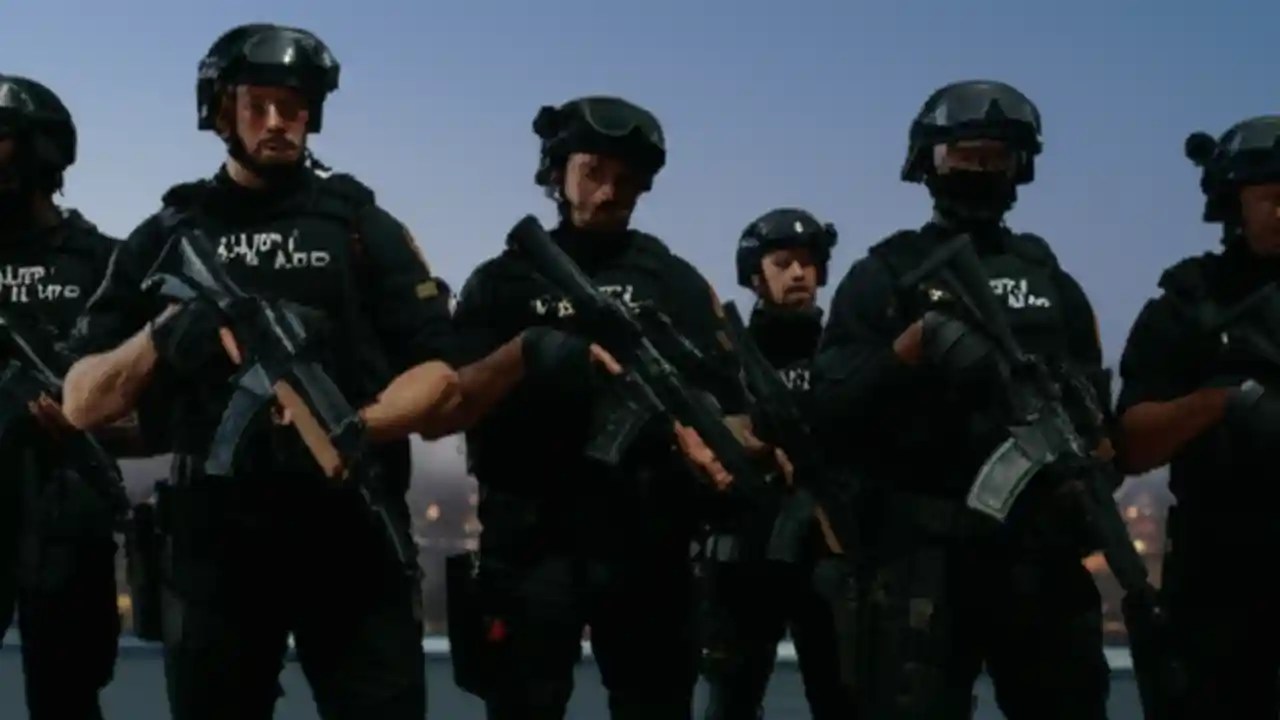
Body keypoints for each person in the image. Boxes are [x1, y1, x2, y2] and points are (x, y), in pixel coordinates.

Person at [58, 23, 539, 720]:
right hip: (215, 547)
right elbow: (80, 400)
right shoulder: (169, 232)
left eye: (295, 106)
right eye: (258, 104)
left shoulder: (358, 225)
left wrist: (357, 426)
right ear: (222, 111)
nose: (279, 121)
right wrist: (163, 335)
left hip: (350, 539)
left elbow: (441, 374)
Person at [450, 95, 767, 720]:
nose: (608, 190)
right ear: (558, 172)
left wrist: (719, 445)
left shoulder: (672, 281)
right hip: (532, 536)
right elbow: (458, 395)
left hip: (645, 543)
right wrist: (537, 354)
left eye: (626, 179)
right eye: (593, 170)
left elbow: (727, 398)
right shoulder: (504, 281)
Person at [810, 80, 1111, 719]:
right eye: (963, 156)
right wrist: (911, 350)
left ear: (1019, 168)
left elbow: (1097, 408)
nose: (978, 170)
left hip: (1036, 557)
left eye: (994, 157)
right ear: (928, 163)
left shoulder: (1051, 282)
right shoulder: (887, 275)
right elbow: (829, 409)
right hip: (918, 554)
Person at [1115, 115, 1280, 718]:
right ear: (1233, 203)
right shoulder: (1190, 302)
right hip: (1219, 571)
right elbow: (1130, 443)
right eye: (1272, 198)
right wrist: (1222, 402)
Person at [0, 73, 126, 720]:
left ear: (39, 151)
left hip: (67, 516)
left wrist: (90, 421)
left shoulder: (107, 264)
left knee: (67, 699)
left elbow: (153, 398)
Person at [698, 208, 854, 719]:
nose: (798, 274)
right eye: (783, 262)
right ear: (754, 275)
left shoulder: (843, 351)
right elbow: (701, 426)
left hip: (827, 549)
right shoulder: (727, 354)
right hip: (746, 549)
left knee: (839, 696)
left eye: (809, 263)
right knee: (732, 699)